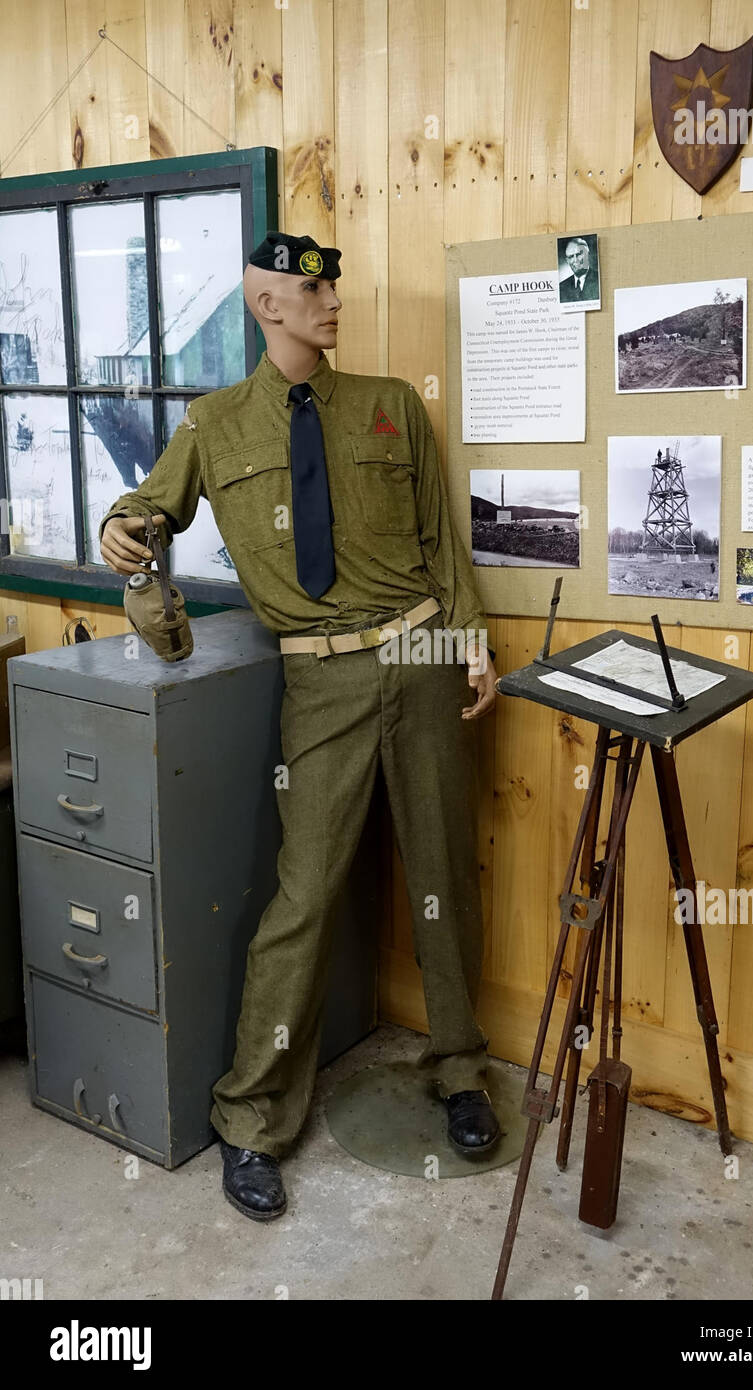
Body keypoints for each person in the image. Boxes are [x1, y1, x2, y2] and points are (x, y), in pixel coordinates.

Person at [99, 232, 501, 1221]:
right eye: (312, 290)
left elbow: (437, 541)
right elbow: (144, 514)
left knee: (442, 870)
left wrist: (473, 639)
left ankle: (459, 1071)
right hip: (317, 680)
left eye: (329, 286)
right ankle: (252, 1117)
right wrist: (123, 530)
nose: (332, 301)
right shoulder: (214, 425)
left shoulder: (390, 404)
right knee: (303, 898)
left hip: (417, 655)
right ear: (267, 306)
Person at [559, 238, 599, 303]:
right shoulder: (561, 287)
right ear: (567, 261)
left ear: (587, 254)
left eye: (578, 254)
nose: (575, 260)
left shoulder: (599, 279)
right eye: (571, 257)